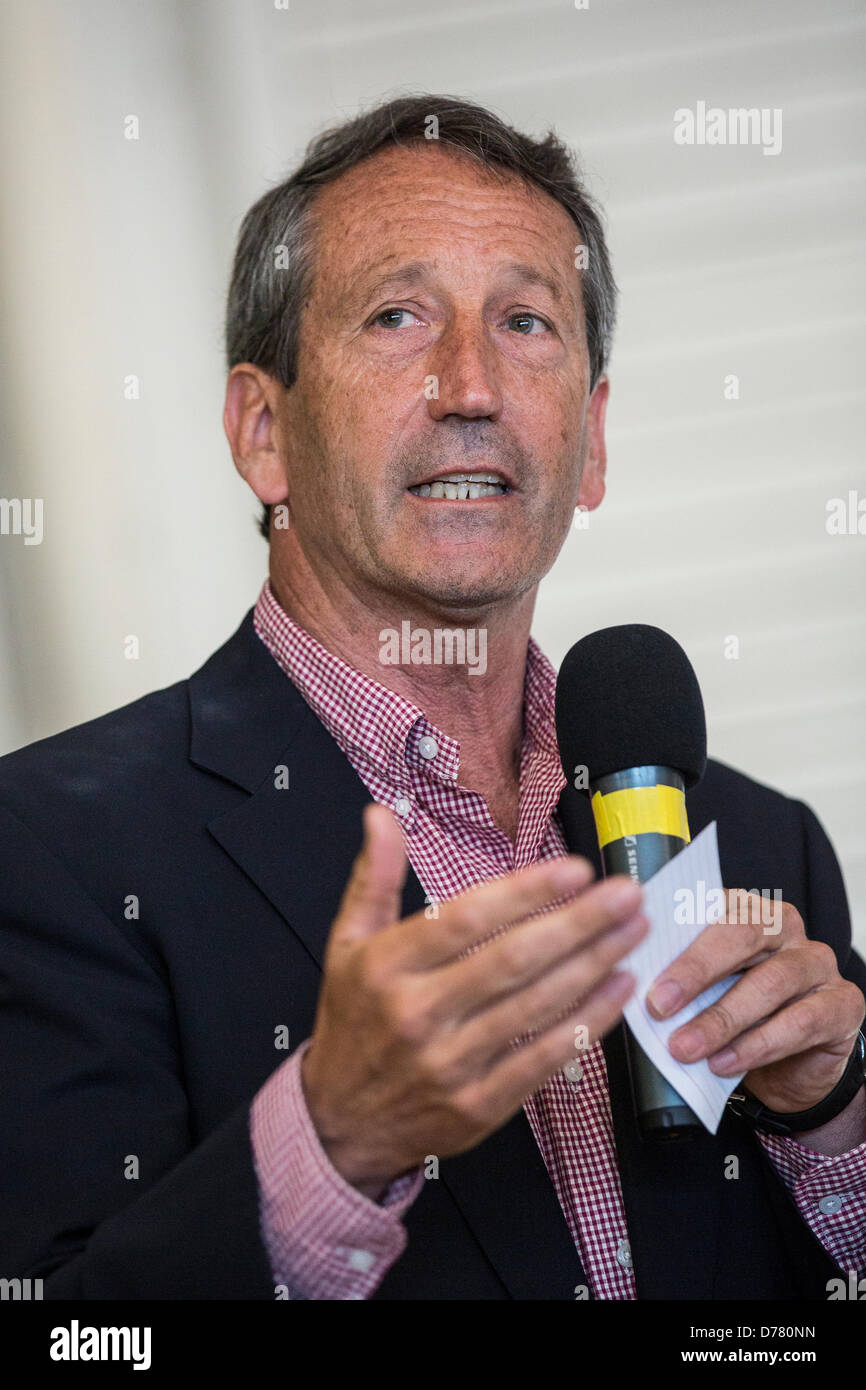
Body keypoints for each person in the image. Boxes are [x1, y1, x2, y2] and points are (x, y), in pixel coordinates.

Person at [1, 94, 864, 1302]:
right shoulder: (47, 850)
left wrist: (837, 1125)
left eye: (524, 321)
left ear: (592, 440)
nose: (471, 385)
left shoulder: (763, 845)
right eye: (397, 315)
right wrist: (331, 1144)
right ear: (263, 432)